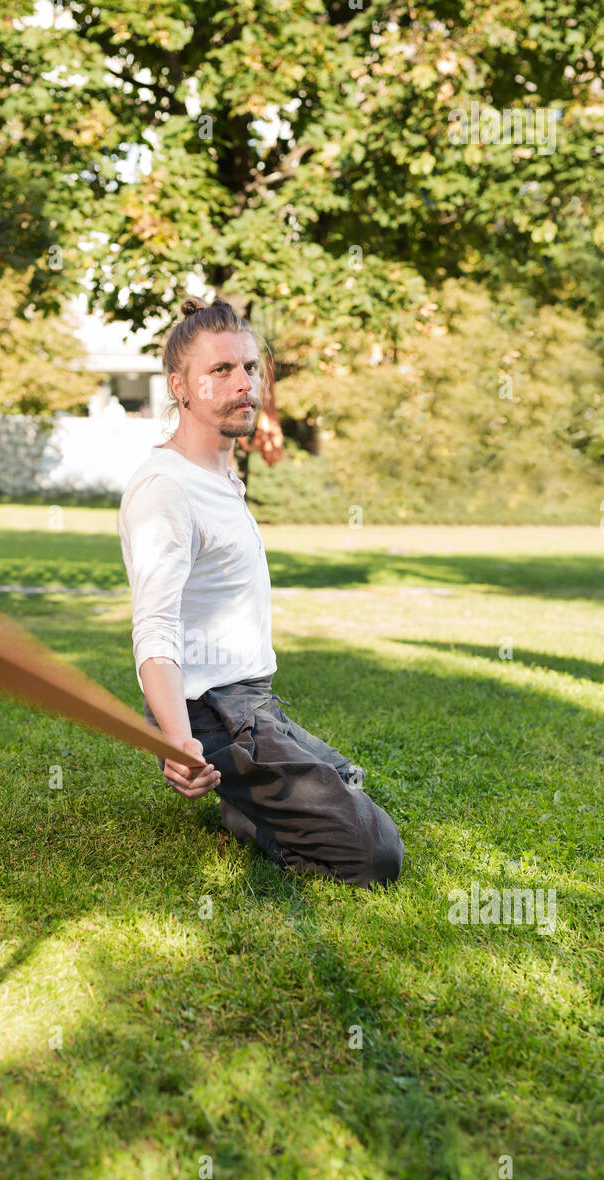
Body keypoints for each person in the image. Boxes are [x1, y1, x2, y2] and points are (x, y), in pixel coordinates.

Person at [117, 295, 404, 888]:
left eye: (249, 367)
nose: (243, 382)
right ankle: (247, 814)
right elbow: (154, 631)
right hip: (216, 716)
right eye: (220, 370)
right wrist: (178, 742)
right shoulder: (165, 489)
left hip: (253, 701)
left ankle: (247, 797)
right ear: (181, 386)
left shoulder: (222, 474)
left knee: (348, 780)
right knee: (374, 854)